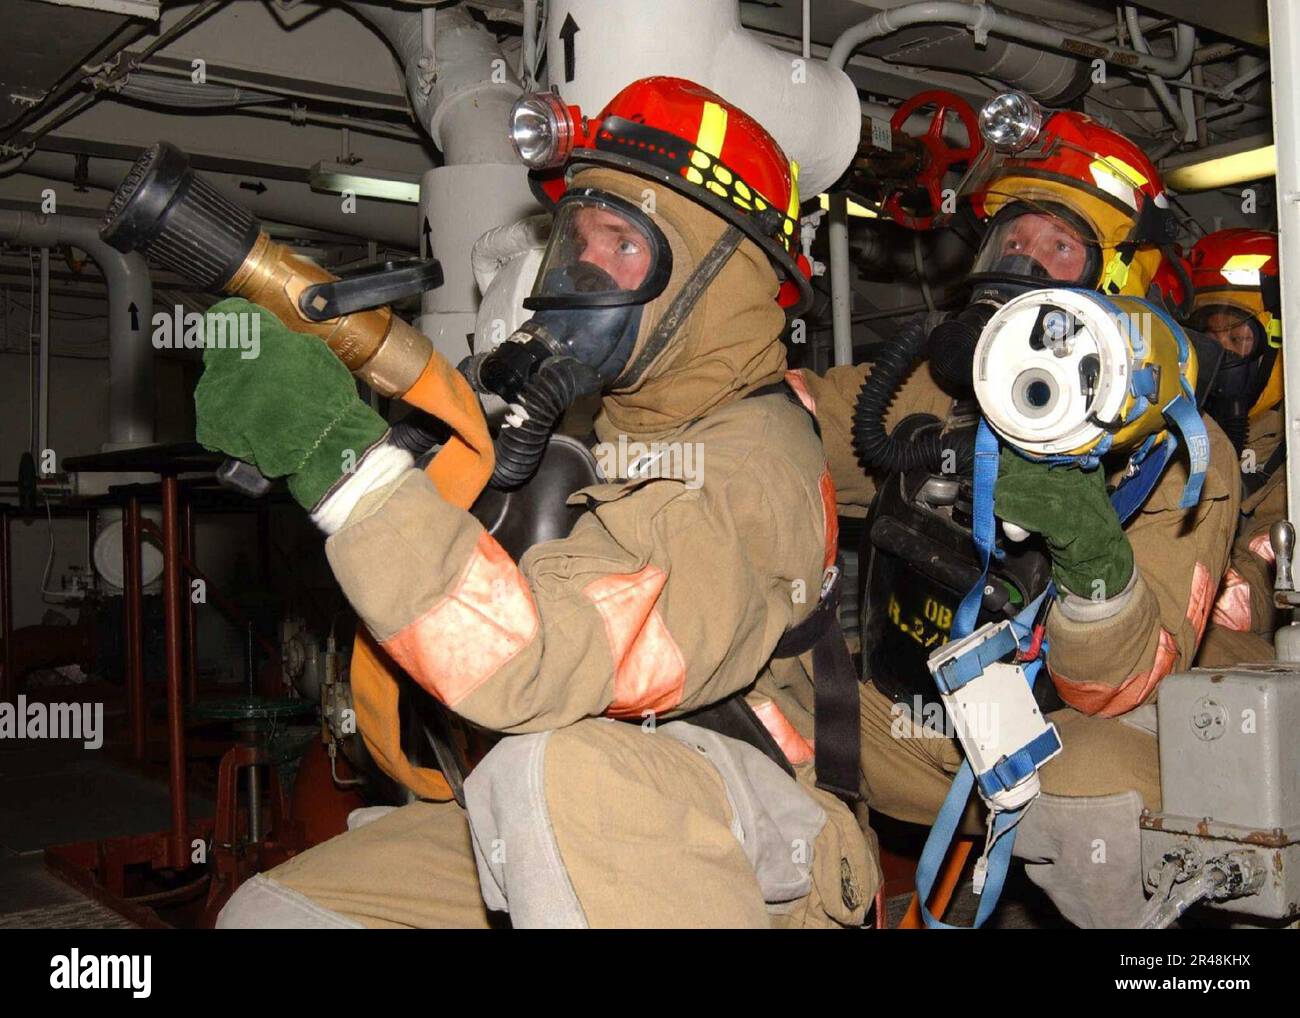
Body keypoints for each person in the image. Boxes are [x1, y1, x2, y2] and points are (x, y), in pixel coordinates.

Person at [206, 76, 879, 929]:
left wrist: (346, 469)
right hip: (596, 773)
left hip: (741, 810)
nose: (582, 272)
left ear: (716, 280)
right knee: (273, 917)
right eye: (578, 242)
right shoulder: (612, 419)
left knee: (552, 772)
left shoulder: (743, 464)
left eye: (623, 246)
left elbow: (536, 664)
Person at [800, 99, 1239, 927]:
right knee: (753, 699)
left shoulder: (1185, 451)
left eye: (1059, 246)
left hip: (1059, 745)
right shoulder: (928, 388)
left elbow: (1120, 682)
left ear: (1112, 285)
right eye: (1013, 240)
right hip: (910, 727)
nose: (1023, 262)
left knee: (1095, 795)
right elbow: (790, 425)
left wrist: (1091, 554)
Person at [1187, 229, 1287, 665]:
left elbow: (1265, 577)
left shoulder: (1290, 452)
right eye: (1210, 341)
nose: (1221, 355)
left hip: (1230, 636)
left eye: (1238, 339)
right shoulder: (1179, 427)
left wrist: (1210, 591)